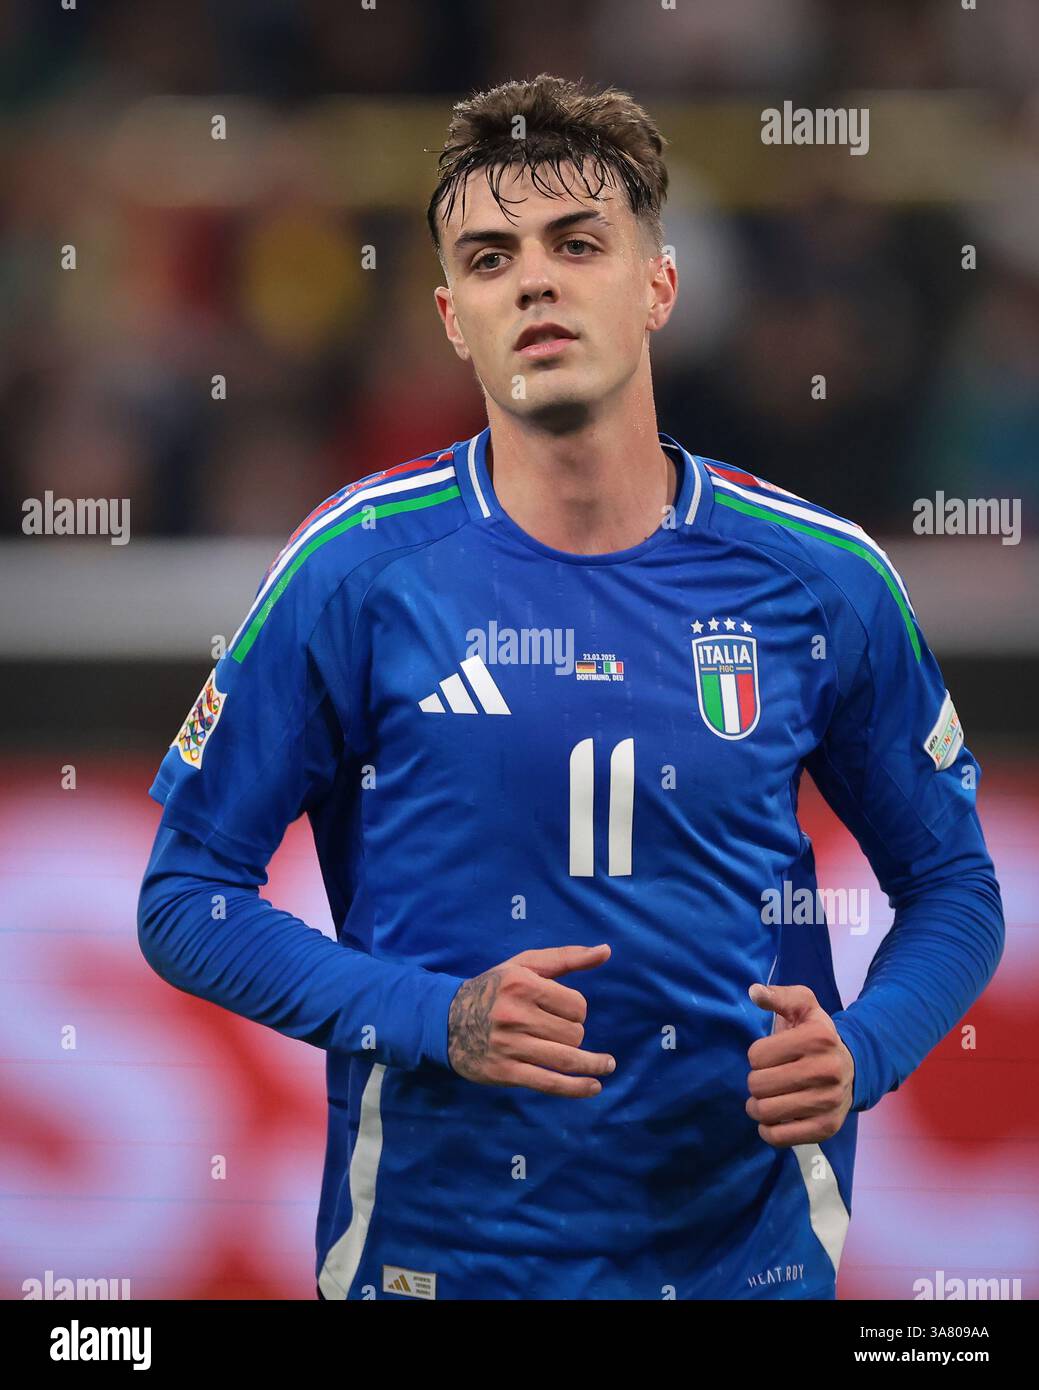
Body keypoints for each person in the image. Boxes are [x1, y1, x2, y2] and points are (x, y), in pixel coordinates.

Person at [138, 73, 1004, 1300]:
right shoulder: (357, 569)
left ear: (658, 285)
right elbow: (185, 897)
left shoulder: (817, 578)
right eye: (489, 259)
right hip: (436, 1258)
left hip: (740, 1260)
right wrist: (433, 1017)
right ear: (452, 317)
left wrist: (866, 1047)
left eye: (576, 243)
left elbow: (954, 884)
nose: (533, 279)